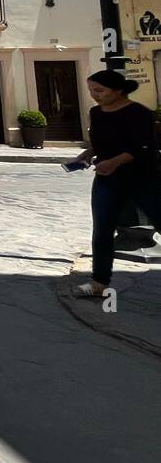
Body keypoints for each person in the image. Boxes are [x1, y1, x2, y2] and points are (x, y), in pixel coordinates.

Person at [71, 69, 161, 298]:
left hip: (142, 178)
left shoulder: (138, 113)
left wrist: (114, 162)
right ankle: (99, 281)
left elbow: (141, 146)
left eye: (99, 90)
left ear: (118, 90)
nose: (94, 95)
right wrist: (87, 154)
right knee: (101, 230)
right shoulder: (96, 112)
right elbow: (100, 143)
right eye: (91, 90)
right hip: (107, 180)